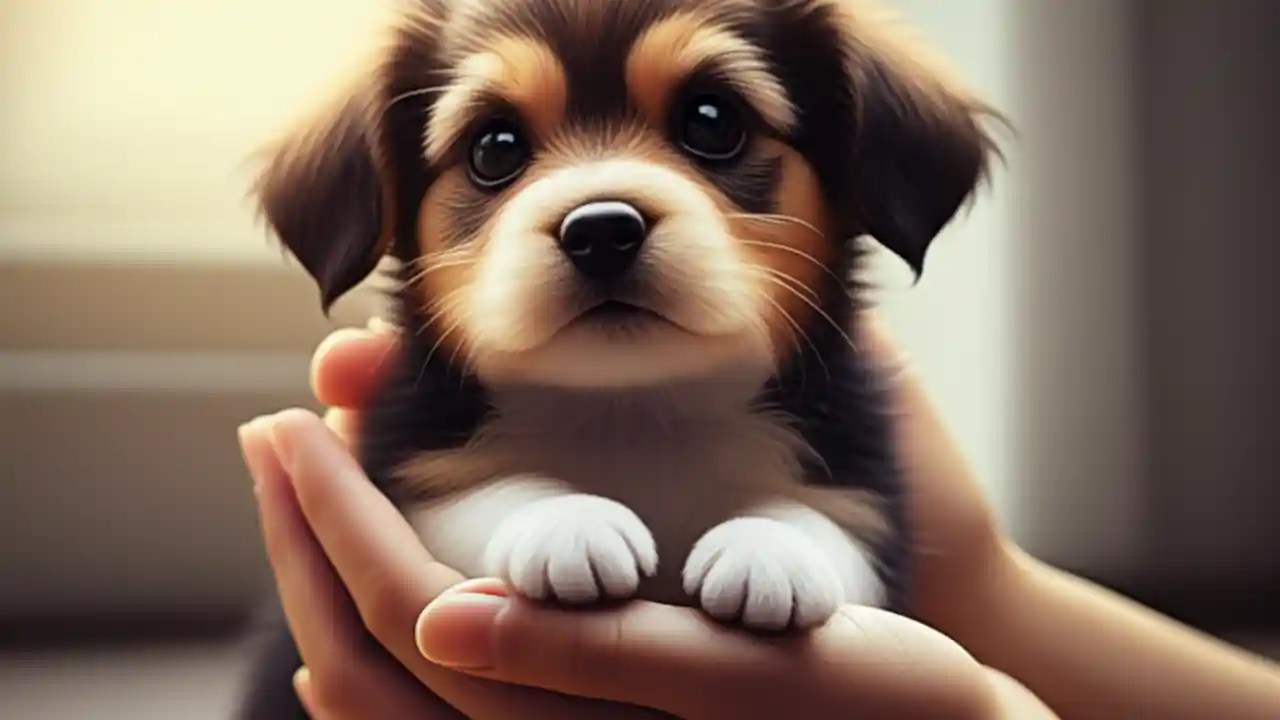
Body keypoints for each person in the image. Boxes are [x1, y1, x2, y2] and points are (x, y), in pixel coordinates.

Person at [238, 317, 1280, 719]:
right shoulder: (442, 402)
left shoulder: (825, 406)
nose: (599, 203)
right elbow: (429, 501)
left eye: (710, 125)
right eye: (496, 146)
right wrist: (985, 596)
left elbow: (850, 532)